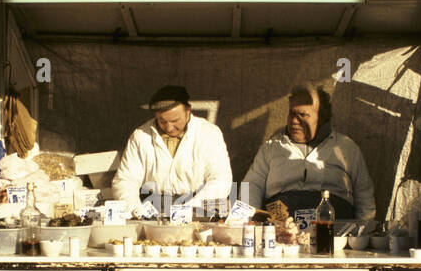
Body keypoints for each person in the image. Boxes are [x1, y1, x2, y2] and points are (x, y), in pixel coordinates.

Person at [241, 82, 375, 220]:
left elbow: (364, 193)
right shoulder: (271, 147)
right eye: (291, 113)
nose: (294, 120)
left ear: (321, 117)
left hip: (333, 228)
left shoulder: (346, 147)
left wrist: (359, 232)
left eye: (302, 115)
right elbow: (250, 185)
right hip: (282, 226)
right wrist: (248, 222)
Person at [112, 85, 232, 214]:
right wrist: (135, 209)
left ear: (188, 111)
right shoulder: (141, 136)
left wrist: (192, 208)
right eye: (162, 121)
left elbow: (220, 178)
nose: (169, 128)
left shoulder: (208, 133)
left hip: (200, 206)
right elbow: (125, 180)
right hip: (154, 208)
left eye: (175, 121)